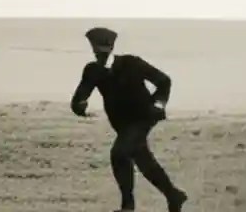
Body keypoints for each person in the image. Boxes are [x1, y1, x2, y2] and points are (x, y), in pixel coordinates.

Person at [70, 27, 188, 212]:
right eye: (97, 48)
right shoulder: (93, 70)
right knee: (143, 160)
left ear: (111, 47)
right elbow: (79, 98)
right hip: (122, 124)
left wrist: (158, 105)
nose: (100, 52)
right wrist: (80, 106)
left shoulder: (132, 63)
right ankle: (173, 195)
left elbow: (164, 81)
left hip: (143, 117)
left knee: (119, 153)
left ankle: (128, 206)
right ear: (93, 48)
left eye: (104, 47)